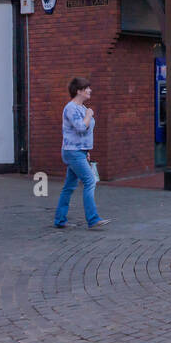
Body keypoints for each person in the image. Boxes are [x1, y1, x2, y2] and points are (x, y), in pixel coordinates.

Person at [54, 77, 109, 229]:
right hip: (72, 151)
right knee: (90, 181)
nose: (90, 90)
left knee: (69, 186)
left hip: (79, 151)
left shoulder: (83, 108)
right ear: (79, 91)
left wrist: (86, 151)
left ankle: (60, 220)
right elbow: (80, 127)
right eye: (87, 88)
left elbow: (84, 132)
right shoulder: (71, 108)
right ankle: (93, 219)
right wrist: (89, 115)